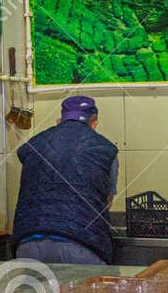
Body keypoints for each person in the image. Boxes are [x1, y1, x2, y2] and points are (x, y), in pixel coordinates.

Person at [11, 95, 119, 266]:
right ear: (94, 122)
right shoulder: (105, 148)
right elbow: (107, 201)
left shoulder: (35, 144)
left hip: (28, 244)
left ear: (60, 120)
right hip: (81, 245)